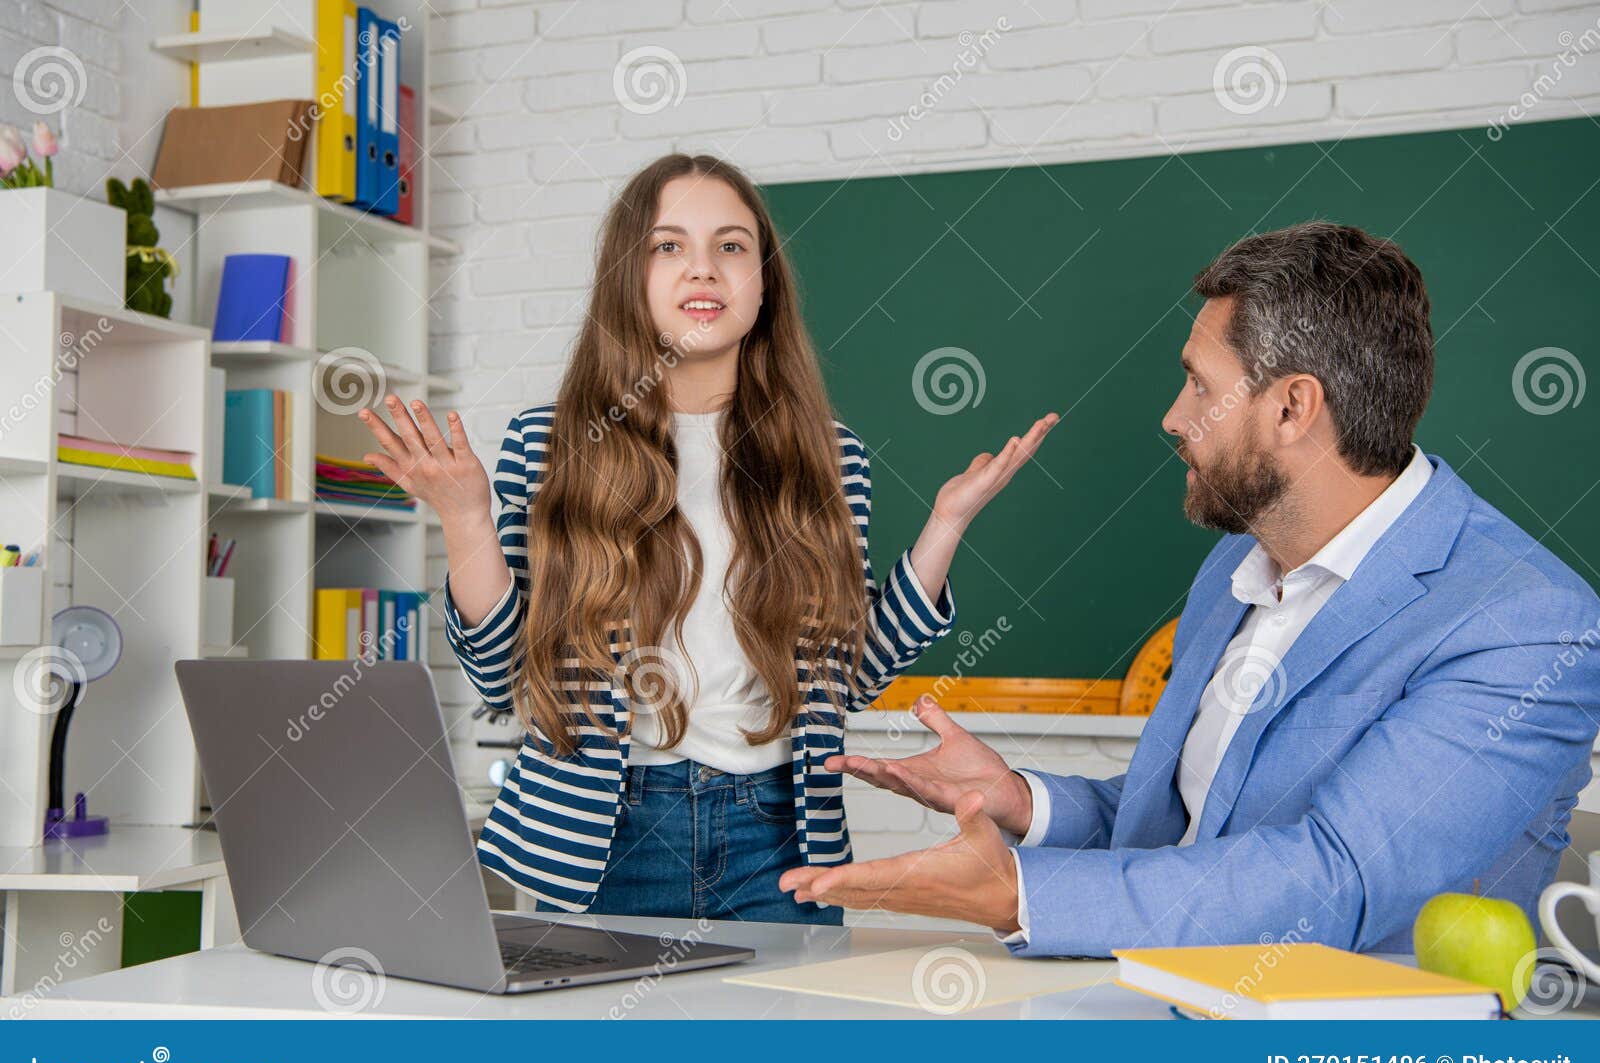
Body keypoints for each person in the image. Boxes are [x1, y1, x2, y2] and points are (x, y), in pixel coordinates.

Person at [781, 221, 1600, 956]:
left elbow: (1335, 880)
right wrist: (1024, 803)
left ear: (1292, 408)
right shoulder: (1239, 565)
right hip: (1169, 1006)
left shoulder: (1525, 624)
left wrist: (1018, 893)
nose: (1175, 417)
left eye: (1200, 386)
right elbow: (1194, 827)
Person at [358, 153, 1056, 924]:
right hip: (602, 837)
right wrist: (464, 518)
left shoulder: (831, 456)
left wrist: (945, 525)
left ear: (764, 284)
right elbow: (501, 675)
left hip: (779, 839)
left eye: (731, 246)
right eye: (669, 246)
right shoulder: (551, 444)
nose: (704, 268)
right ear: (630, 277)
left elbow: (849, 677)